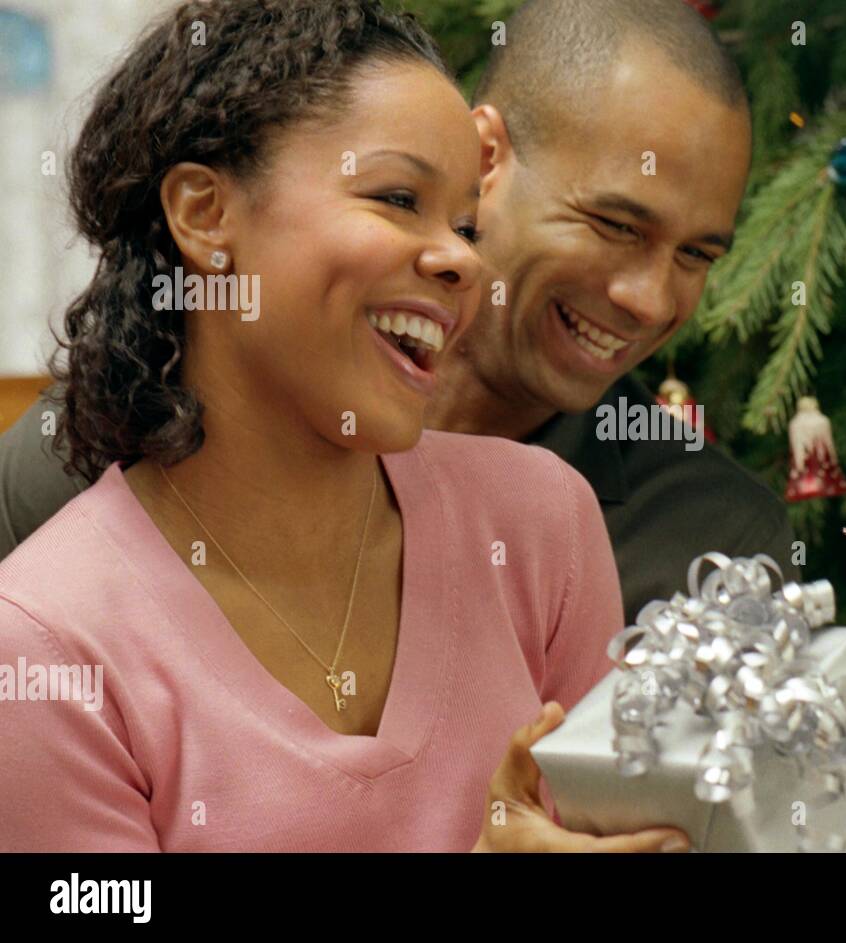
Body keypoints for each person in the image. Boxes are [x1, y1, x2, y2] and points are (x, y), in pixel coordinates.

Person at [0, 0, 689, 854]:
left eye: (467, 225)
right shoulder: (43, 646)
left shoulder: (542, 524)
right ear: (205, 216)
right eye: (398, 197)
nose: (462, 259)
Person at [0, 0, 797, 623]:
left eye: (698, 255)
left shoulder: (706, 543)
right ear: (483, 156)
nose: (651, 299)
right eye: (616, 225)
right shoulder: (90, 452)